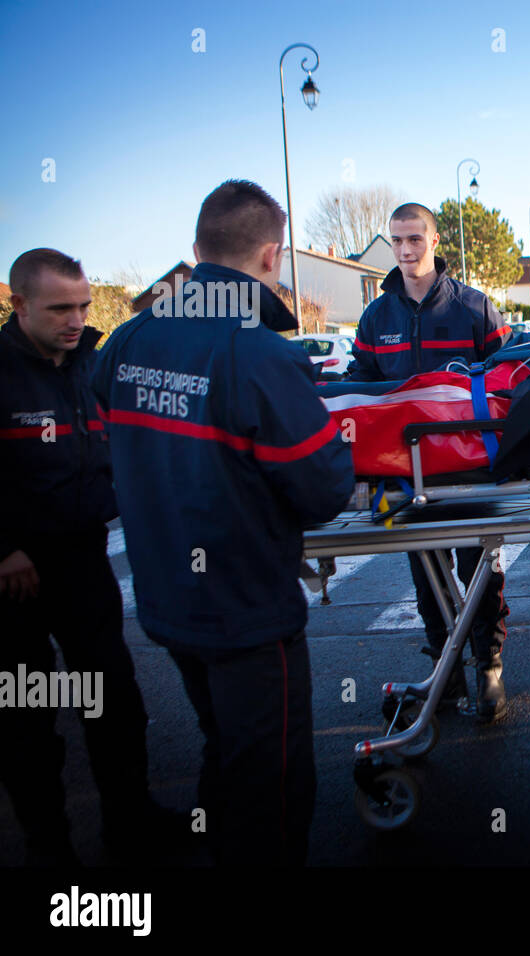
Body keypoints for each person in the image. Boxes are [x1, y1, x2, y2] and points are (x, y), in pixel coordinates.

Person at [92, 180, 355, 865]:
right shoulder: (259, 353)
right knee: (272, 783)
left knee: (225, 746)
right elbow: (323, 486)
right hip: (243, 610)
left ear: (196, 251)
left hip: (163, 600)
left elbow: (108, 435)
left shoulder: (129, 339)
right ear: (271, 257)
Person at [0, 249, 183, 865]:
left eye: (82, 305)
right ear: (18, 304)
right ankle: (48, 849)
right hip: (13, 576)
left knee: (112, 700)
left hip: (83, 559)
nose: (77, 319)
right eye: (59, 308)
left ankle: (129, 824)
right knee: (26, 717)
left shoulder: (93, 366)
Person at [346, 202, 512, 723]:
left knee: (480, 568)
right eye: (396, 241)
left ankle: (488, 669)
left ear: (434, 242)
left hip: (471, 471)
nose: (404, 251)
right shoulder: (377, 316)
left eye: (414, 239)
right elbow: (362, 386)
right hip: (403, 474)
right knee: (425, 575)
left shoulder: (474, 308)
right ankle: (446, 670)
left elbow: (508, 379)